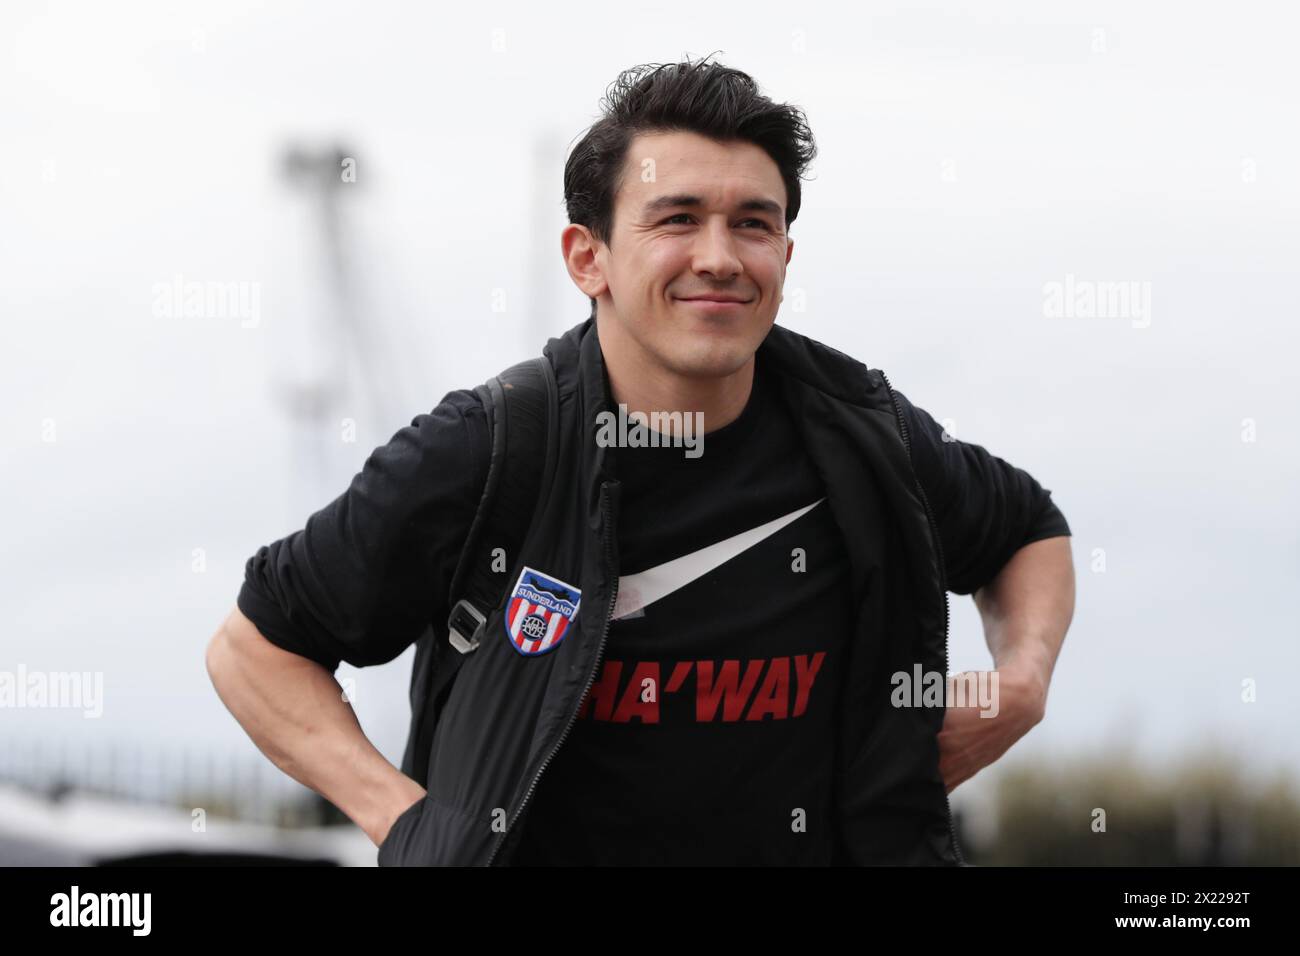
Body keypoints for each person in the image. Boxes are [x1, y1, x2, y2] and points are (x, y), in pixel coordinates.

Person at [206, 55, 1075, 866]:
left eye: (752, 225)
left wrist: (1024, 681)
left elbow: (1026, 528)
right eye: (678, 219)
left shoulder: (868, 436)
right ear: (589, 258)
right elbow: (254, 649)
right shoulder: (492, 446)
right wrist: (412, 828)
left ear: (785, 257)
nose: (720, 257)